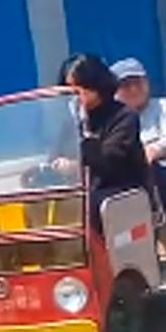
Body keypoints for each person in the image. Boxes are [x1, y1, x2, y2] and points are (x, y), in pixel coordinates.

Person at [53, 54, 149, 235]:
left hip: (121, 192)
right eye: (68, 90)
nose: (73, 96)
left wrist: (79, 159)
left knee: (85, 206)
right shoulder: (70, 122)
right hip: (84, 190)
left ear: (96, 84)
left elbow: (109, 161)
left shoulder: (124, 116)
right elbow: (55, 154)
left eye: (78, 89)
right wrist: (54, 167)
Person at [111, 57, 166, 206]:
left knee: (146, 173)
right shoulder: (112, 119)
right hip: (130, 175)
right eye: (126, 85)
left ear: (147, 83)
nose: (134, 89)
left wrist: (154, 150)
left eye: (138, 83)